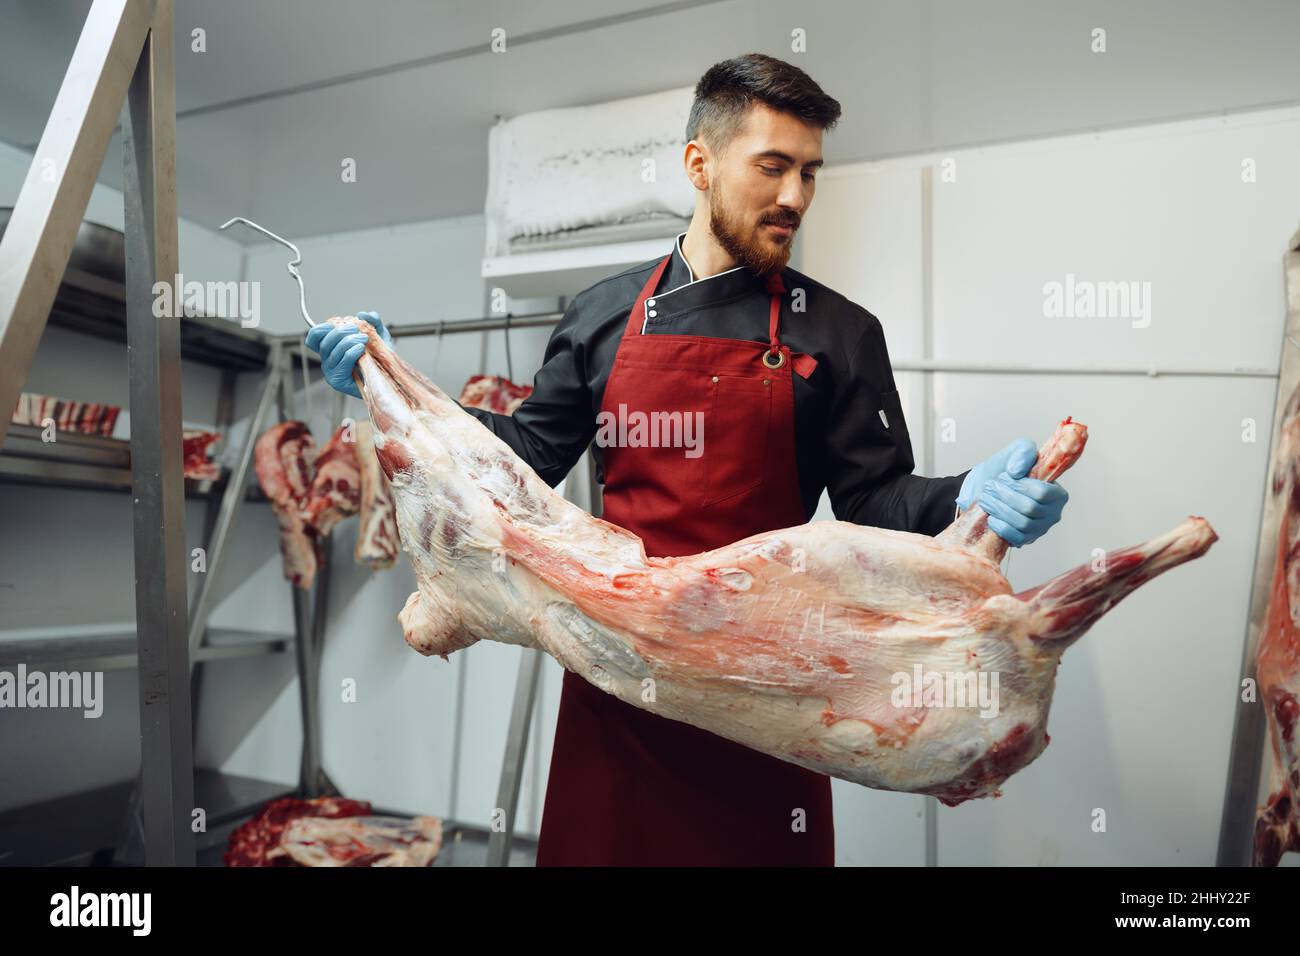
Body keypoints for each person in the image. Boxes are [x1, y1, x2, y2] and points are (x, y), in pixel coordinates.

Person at [306, 53, 1068, 866]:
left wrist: (968, 499)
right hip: (618, 682)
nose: (794, 198)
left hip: (768, 690)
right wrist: (393, 387)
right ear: (699, 165)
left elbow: (873, 498)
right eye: (772, 167)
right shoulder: (601, 316)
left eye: (810, 173)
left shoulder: (840, 333)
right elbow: (526, 457)